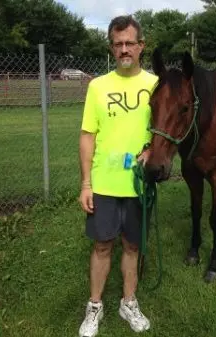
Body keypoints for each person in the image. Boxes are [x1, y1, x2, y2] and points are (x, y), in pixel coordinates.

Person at [78, 15, 158, 337]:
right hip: (104, 184)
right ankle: (94, 307)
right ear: (112, 48)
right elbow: (87, 135)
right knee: (101, 245)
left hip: (138, 185)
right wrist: (86, 183)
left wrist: (151, 150)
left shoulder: (155, 85)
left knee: (132, 247)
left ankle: (129, 302)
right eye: (118, 44)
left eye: (130, 43)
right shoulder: (97, 86)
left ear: (141, 46)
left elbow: (165, 130)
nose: (124, 49)